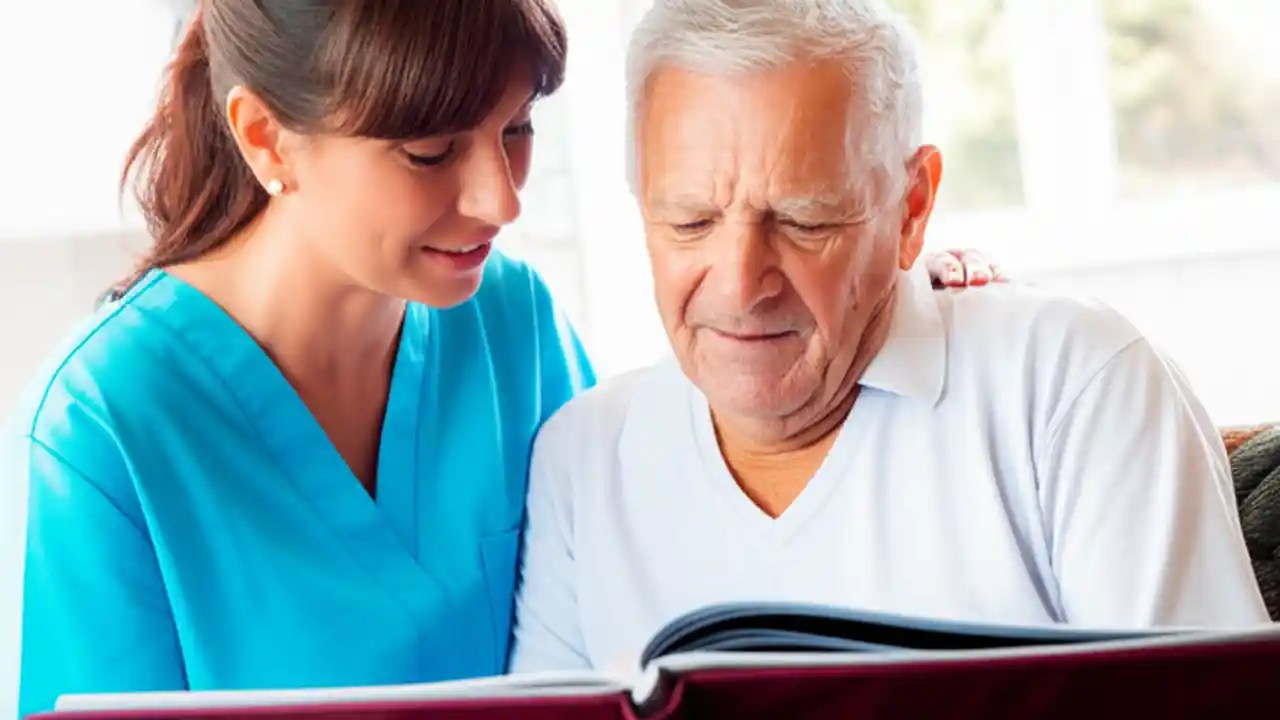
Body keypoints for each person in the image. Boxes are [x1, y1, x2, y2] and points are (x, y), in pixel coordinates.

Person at [0, 1, 995, 716]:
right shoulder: (108, 433)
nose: (499, 199)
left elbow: (649, 566)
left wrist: (884, 286)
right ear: (268, 138)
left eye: (514, 128)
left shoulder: (503, 320)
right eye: (430, 153)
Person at [508, 0, 1270, 675]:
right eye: (689, 222)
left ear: (911, 210)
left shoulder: (1078, 387)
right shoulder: (582, 460)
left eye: (805, 221)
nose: (740, 285)